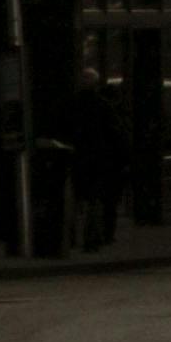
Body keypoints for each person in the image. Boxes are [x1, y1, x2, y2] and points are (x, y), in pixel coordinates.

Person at [69, 69, 131, 253]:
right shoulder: (102, 106)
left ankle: (72, 237)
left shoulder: (73, 105)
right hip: (99, 160)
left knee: (78, 199)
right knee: (96, 201)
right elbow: (116, 134)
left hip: (77, 158)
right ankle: (93, 238)